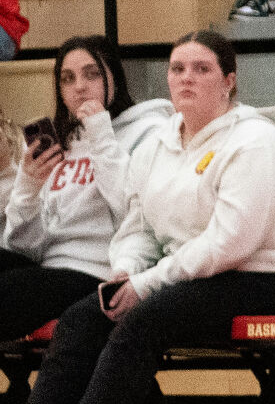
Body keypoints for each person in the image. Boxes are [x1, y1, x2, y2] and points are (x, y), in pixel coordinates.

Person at [0, 32, 275, 404]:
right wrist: (125, 271)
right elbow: (137, 226)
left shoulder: (256, 140)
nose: (186, 78)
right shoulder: (161, 145)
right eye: (177, 69)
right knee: (86, 315)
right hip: (193, 276)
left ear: (229, 82)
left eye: (201, 69)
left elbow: (230, 242)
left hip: (272, 278)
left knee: (144, 318)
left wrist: (146, 283)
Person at [0, 38, 173, 353]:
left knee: (9, 291)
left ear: (114, 79)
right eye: (68, 78)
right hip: (47, 268)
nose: (79, 87)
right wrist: (28, 185)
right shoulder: (57, 143)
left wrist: (101, 135)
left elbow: (134, 213)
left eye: (91, 74)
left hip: (97, 272)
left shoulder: (149, 132)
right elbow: (20, 246)